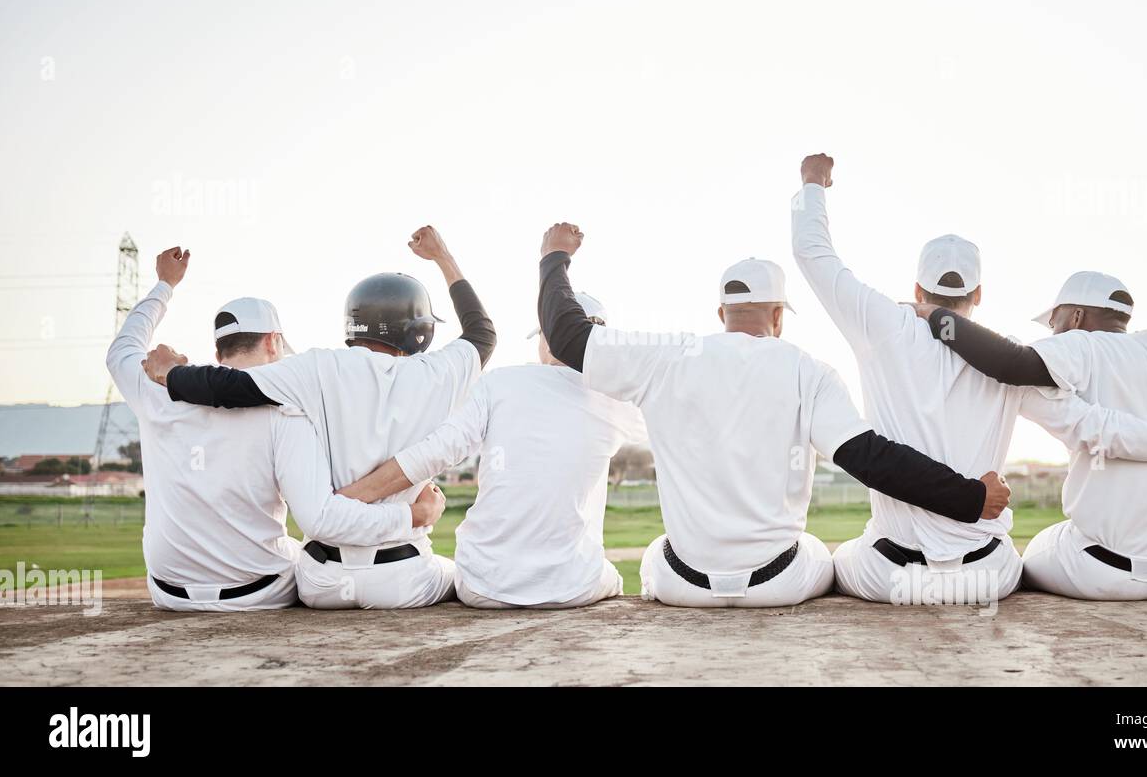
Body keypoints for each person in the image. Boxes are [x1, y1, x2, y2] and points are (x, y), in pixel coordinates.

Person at [791, 154, 1147, 604]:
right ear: (979, 294)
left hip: (890, 576)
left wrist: (813, 183)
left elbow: (813, 252)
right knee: (1028, 552)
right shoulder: (1012, 355)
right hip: (987, 577)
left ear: (918, 290)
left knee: (832, 561)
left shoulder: (880, 321)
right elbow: (1091, 426)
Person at [535, 221, 1013, 608]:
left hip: (684, 586)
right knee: (829, 558)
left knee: (655, 555)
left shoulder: (664, 357)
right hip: (778, 583)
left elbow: (566, 335)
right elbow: (871, 459)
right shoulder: (808, 370)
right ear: (779, 316)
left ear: (721, 313)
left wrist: (555, 258)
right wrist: (970, 497)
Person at [140, 226, 495, 609]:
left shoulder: (313, 368)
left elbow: (227, 386)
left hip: (322, 583)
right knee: (458, 575)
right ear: (420, 331)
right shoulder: (440, 373)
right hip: (402, 576)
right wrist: (443, 257)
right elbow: (482, 332)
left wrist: (170, 374)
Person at [911, 270, 1147, 600]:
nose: (1052, 331)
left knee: (1024, 555)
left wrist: (935, 316)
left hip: (1102, 575)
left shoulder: (1081, 345)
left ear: (1075, 317)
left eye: (1053, 321)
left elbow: (1010, 364)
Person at [338, 292, 646, 609]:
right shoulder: (619, 400)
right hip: (573, 589)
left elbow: (431, 454)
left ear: (547, 337)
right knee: (616, 577)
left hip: (482, 587)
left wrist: (343, 500)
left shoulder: (498, 383)